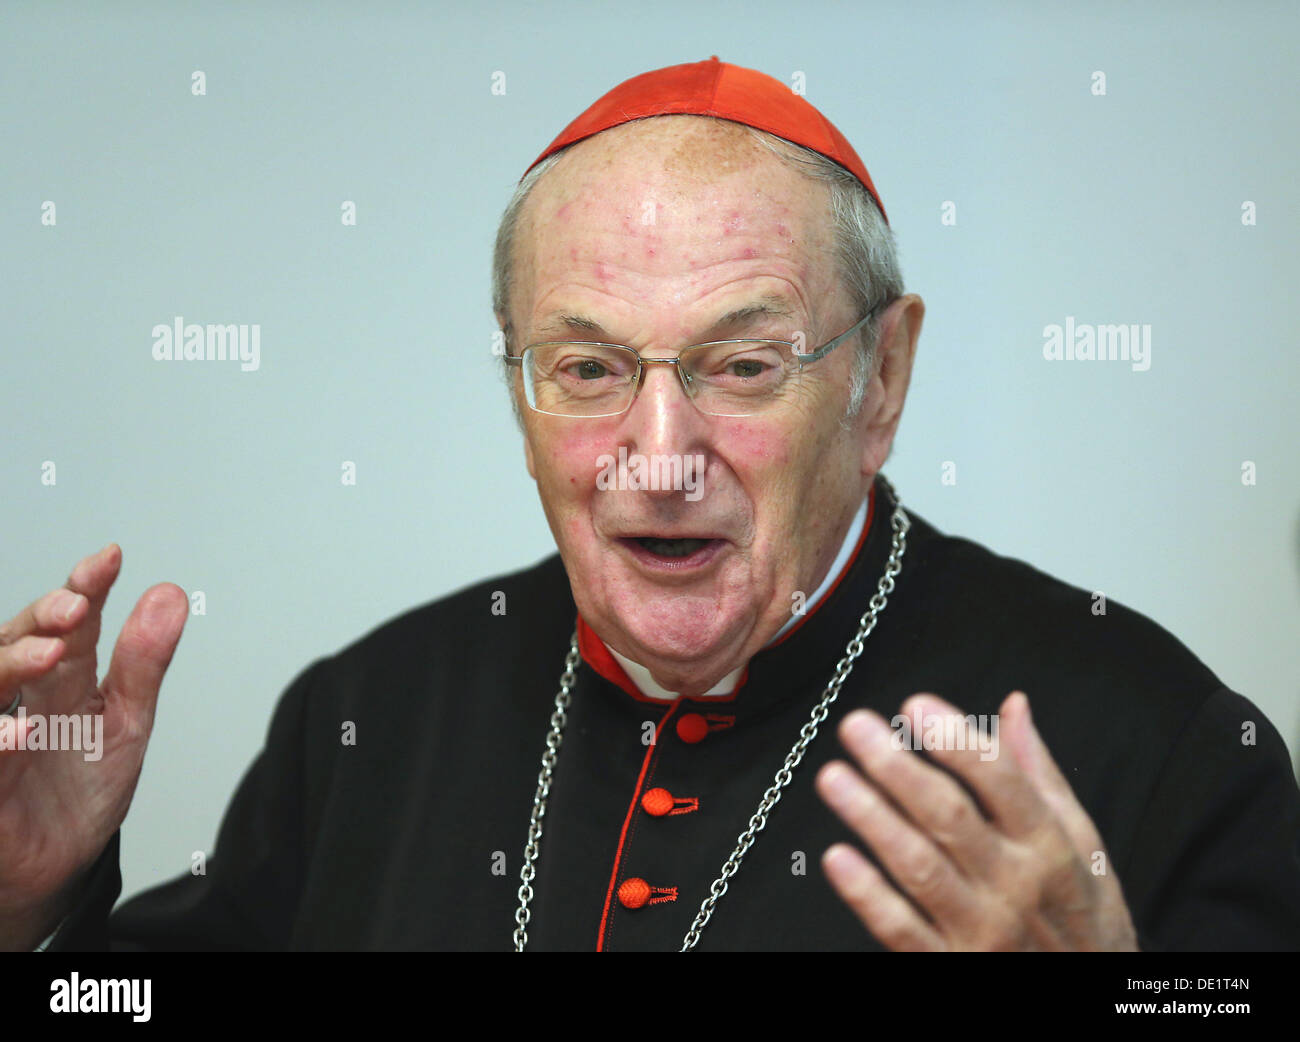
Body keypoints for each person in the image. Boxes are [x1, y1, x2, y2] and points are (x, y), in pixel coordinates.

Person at [3, 57, 1298, 952]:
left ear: (883, 375)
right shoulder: (367, 718)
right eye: (587, 368)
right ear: (519, 391)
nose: (660, 453)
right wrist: (37, 908)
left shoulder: (1155, 741)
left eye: (742, 364)